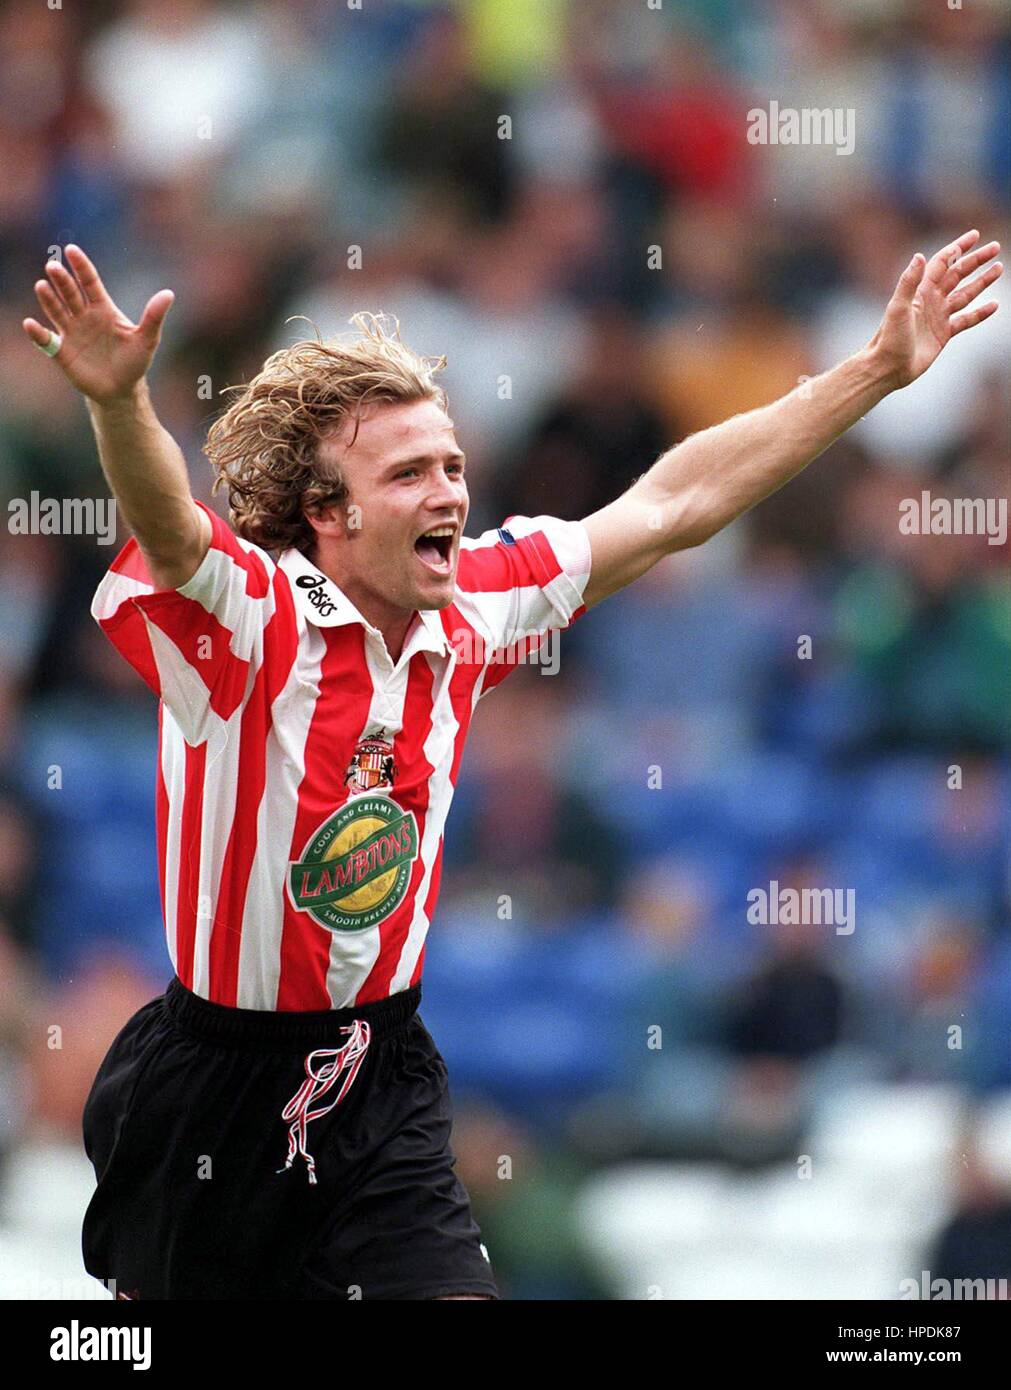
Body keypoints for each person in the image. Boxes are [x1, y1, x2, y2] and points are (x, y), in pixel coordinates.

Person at [21, 233, 1001, 1300]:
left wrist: (875, 371)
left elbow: (673, 504)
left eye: (451, 464)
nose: (447, 491)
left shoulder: (480, 605)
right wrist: (120, 405)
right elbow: (170, 533)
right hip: (214, 1085)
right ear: (328, 513)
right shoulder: (255, 622)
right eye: (408, 474)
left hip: (376, 1077)